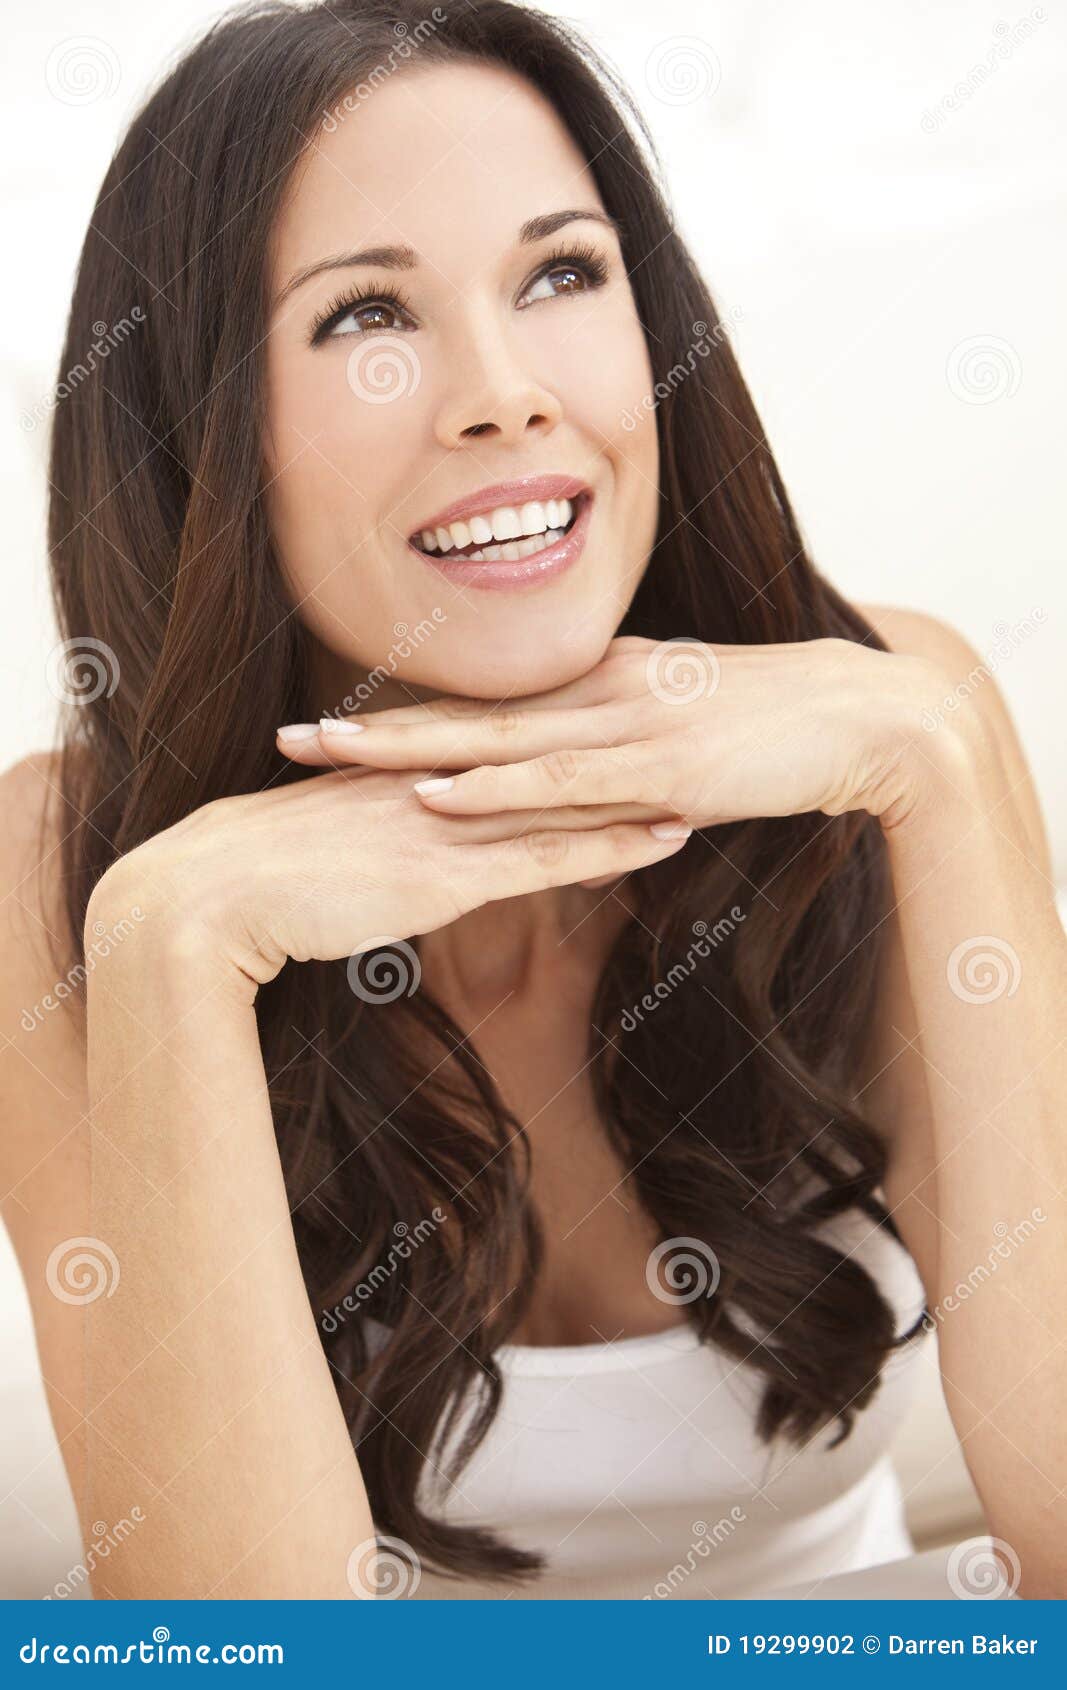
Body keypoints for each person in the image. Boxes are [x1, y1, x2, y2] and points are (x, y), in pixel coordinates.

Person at [1, 0, 1063, 1600]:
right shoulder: (54, 875)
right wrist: (172, 935)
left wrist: (940, 763)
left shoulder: (885, 716)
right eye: (367, 315)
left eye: (562, 274)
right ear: (194, 427)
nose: (501, 395)